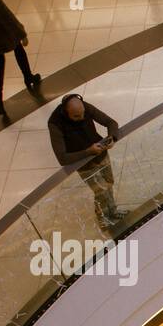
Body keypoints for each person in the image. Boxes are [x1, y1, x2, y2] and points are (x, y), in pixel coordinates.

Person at [48, 93, 123, 232]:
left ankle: (112, 211)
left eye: (83, 114)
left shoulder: (84, 108)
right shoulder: (55, 123)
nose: (81, 118)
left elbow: (111, 123)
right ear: (66, 112)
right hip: (84, 164)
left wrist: (112, 137)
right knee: (100, 191)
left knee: (109, 184)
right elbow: (62, 158)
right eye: (76, 116)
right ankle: (103, 218)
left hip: (101, 155)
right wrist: (88, 152)